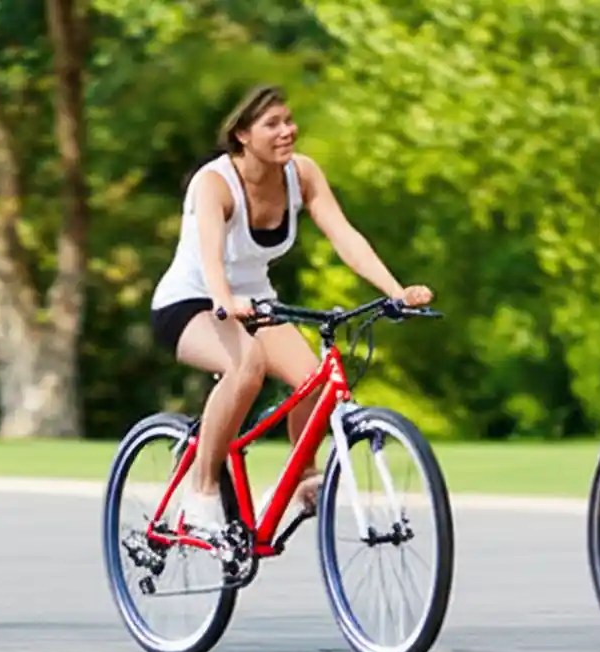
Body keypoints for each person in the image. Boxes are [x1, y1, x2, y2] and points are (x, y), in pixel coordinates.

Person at [150, 85, 433, 528]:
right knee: (247, 366)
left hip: (257, 304)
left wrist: (396, 291)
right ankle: (201, 489)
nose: (288, 131)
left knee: (316, 382)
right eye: (273, 124)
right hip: (191, 302)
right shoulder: (215, 182)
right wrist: (226, 302)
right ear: (243, 134)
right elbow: (209, 255)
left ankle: (303, 478)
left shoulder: (301, 175)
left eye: (289, 120)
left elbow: (346, 238)